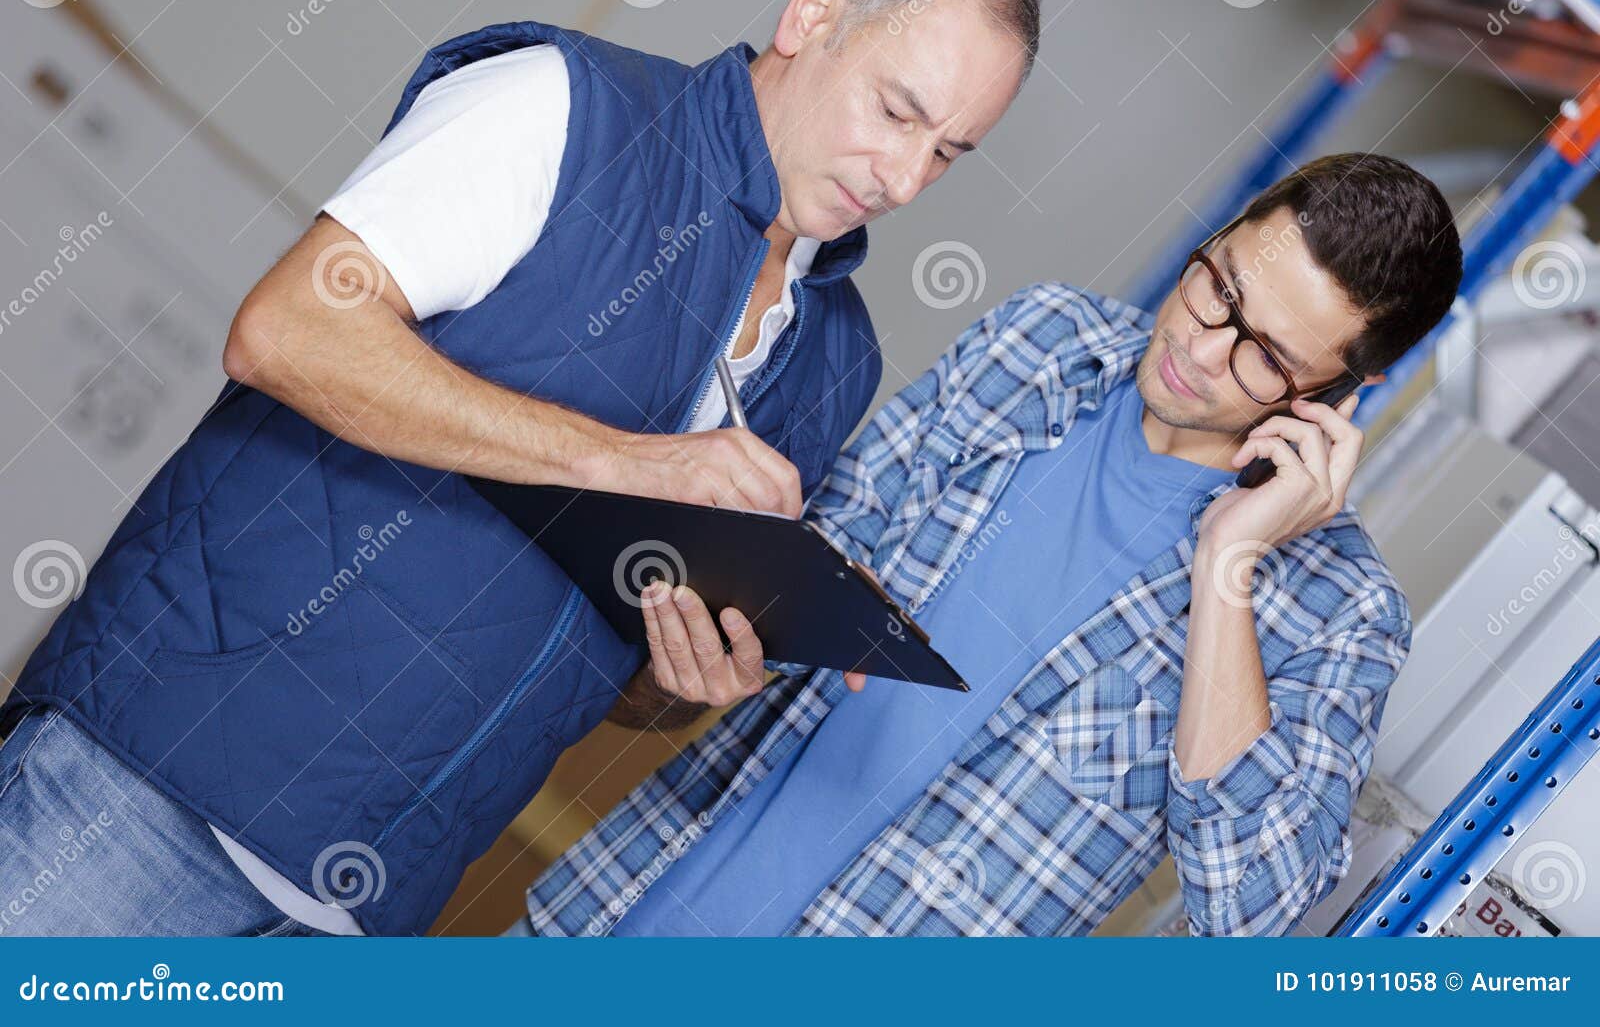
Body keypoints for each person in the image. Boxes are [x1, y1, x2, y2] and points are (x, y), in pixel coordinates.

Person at [0, 0, 1041, 936]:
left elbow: (596, 663)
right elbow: (289, 330)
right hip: (150, 789)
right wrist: (632, 462)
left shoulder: (835, 355)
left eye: (948, 153)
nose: (904, 180)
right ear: (814, 13)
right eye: (897, 113)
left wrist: (685, 678)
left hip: (369, 898)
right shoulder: (561, 107)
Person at [512, 153, 1464, 937]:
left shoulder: (1341, 612)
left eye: (1265, 355)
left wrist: (1228, 567)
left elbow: (1247, 908)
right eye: (1221, 286)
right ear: (1221, 235)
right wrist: (713, 639)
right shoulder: (1043, 342)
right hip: (622, 918)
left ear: (1331, 400)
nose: (1201, 344)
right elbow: (806, 566)